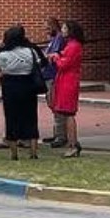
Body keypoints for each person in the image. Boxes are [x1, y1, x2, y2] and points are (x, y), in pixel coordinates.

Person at [0, 24, 44, 160]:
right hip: (28, 86)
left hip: (10, 86)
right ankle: (33, 152)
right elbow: (38, 64)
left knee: (11, 118)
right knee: (31, 117)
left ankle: (14, 153)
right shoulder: (31, 51)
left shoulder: (3, 54)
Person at [49, 19, 85, 157]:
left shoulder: (74, 46)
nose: (62, 30)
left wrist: (56, 58)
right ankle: (72, 142)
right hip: (65, 80)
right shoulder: (70, 45)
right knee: (65, 113)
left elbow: (64, 64)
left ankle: (73, 144)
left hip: (68, 82)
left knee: (68, 113)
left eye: (64, 28)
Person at [41, 16, 68, 147]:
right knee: (52, 105)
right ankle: (57, 133)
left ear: (53, 26)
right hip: (47, 76)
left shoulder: (59, 39)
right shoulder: (53, 40)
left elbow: (55, 56)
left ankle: (61, 136)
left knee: (56, 105)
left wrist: (44, 56)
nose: (45, 31)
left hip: (54, 76)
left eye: (47, 28)